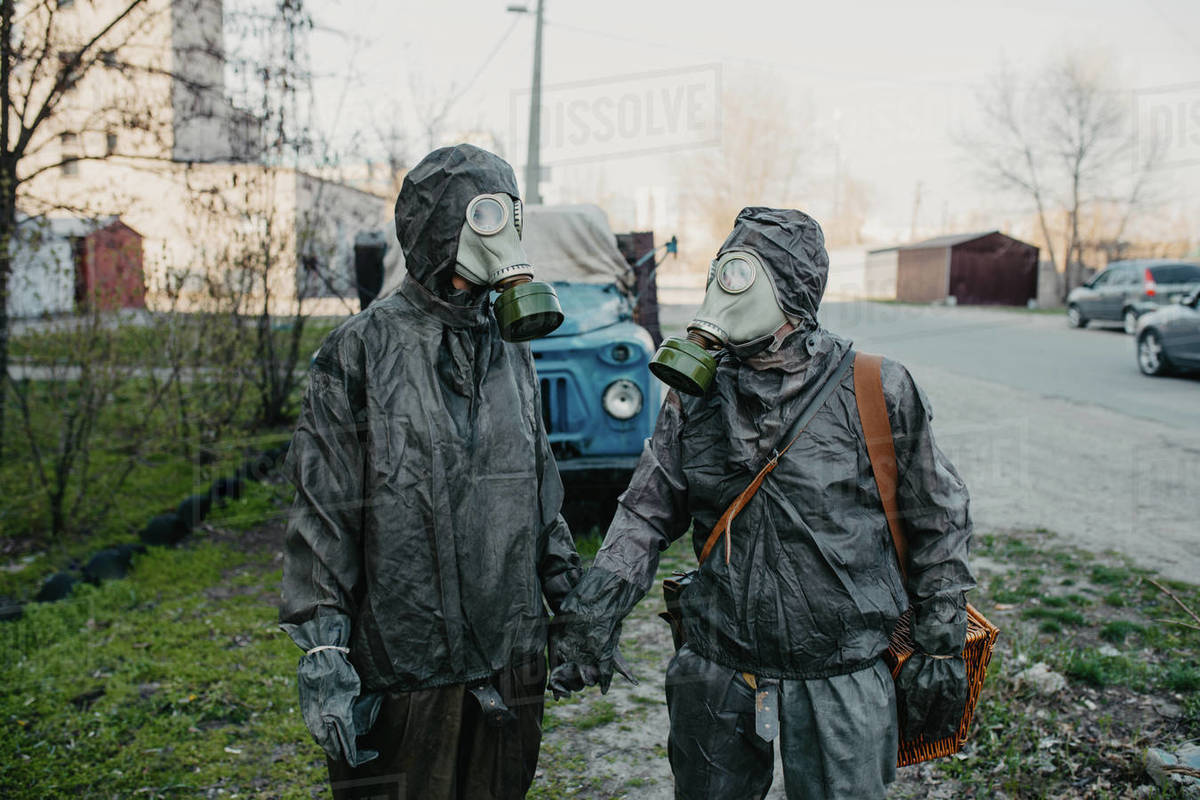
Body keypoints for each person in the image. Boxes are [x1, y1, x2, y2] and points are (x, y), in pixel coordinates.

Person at [550, 207, 974, 799]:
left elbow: (938, 515)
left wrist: (941, 639)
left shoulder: (877, 389)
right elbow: (647, 512)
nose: (722, 287)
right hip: (720, 663)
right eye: (721, 271)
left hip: (841, 668)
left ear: (791, 290)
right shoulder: (696, 399)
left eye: (742, 275)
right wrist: (597, 606)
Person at [279, 144, 581, 800]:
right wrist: (325, 653)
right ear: (439, 225)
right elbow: (322, 516)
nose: (503, 231)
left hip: (510, 672)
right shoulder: (360, 350)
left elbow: (539, 495)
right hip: (407, 679)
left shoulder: (510, 351)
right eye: (485, 213)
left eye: (511, 212)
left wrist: (571, 605)